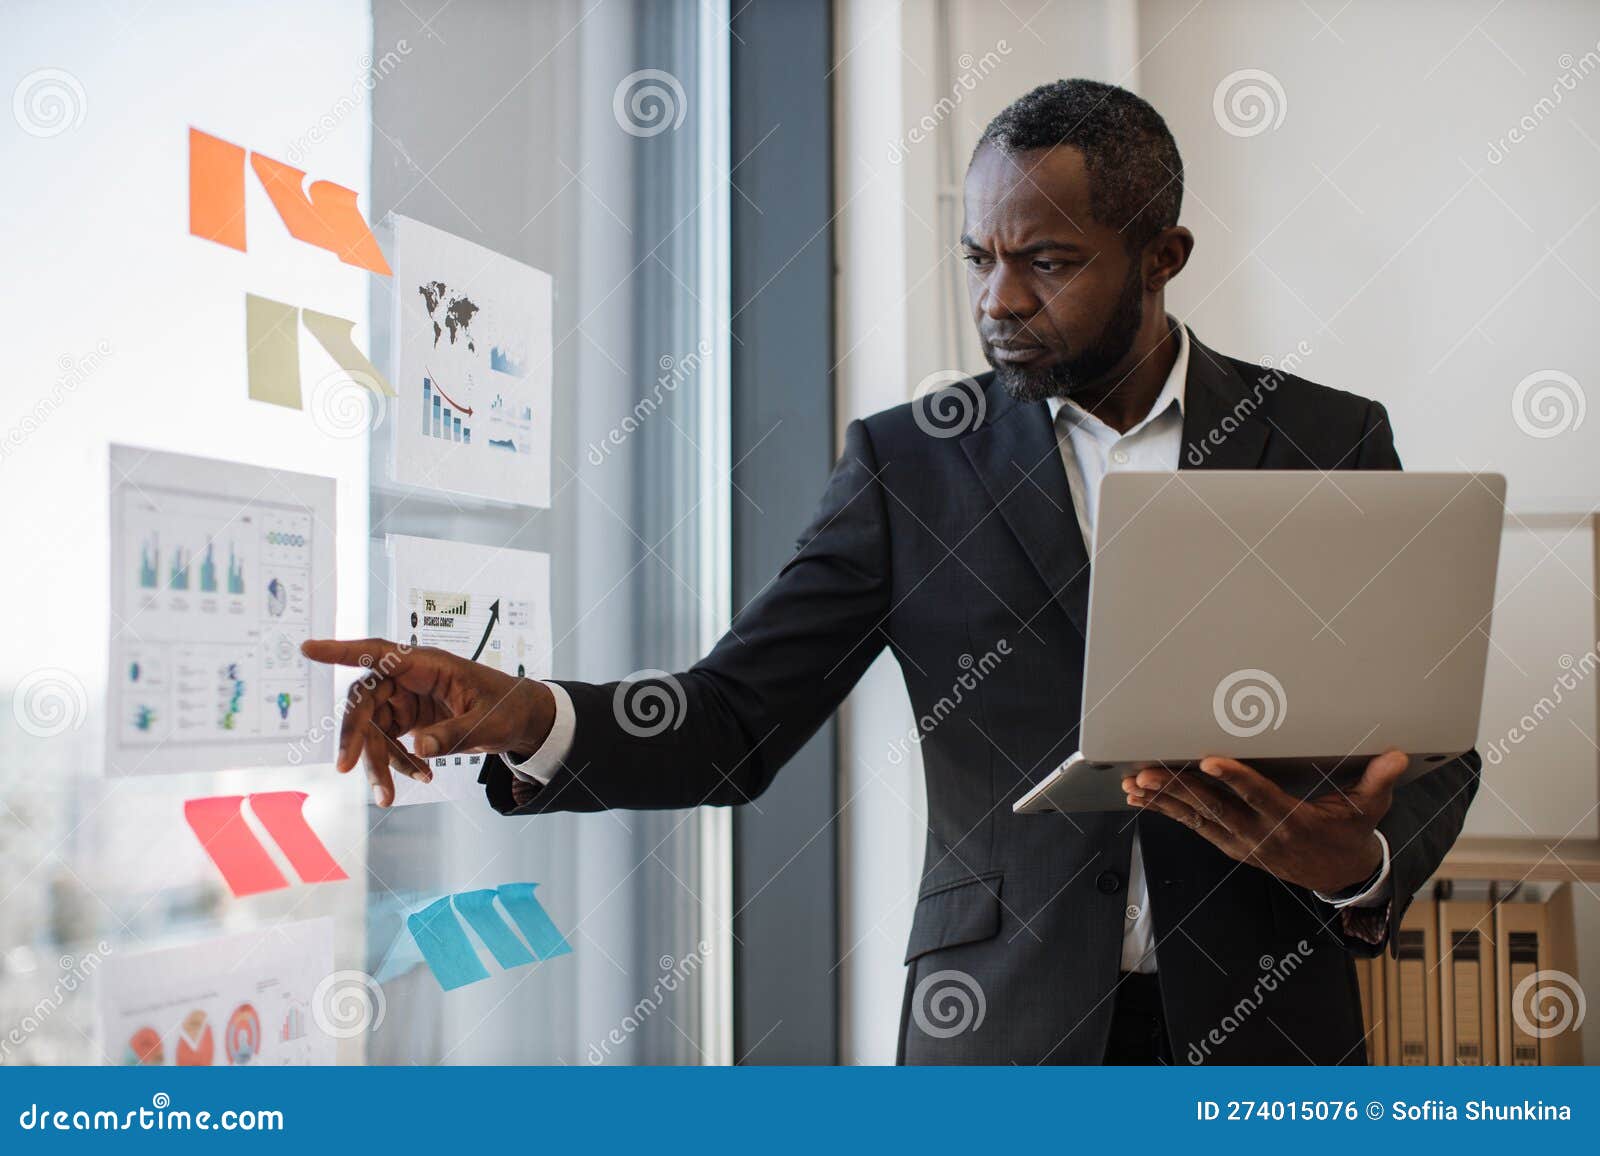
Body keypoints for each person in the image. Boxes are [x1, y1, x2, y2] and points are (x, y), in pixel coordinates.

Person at [302, 79, 1478, 1064]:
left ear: (1161, 256)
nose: (997, 300)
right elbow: (729, 722)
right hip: (995, 1030)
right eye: (979, 258)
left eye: (1046, 262)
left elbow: (1428, 742)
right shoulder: (909, 463)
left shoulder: (1323, 439)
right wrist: (528, 713)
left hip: (1269, 1028)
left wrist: (1358, 863)